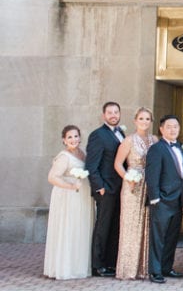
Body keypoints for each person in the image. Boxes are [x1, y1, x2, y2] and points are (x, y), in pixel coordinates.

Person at [44, 125, 94, 280]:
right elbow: (52, 177)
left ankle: (78, 267)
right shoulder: (64, 157)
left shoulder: (82, 153)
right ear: (64, 140)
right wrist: (71, 186)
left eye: (76, 136)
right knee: (68, 228)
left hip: (82, 196)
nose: (74, 140)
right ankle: (64, 268)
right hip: (68, 196)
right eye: (70, 137)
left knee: (81, 229)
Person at [145, 115, 183, 284]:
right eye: (169, 127)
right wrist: (155, 198)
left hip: (178, 200)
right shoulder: (156, 149)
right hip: (162, 200)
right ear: (161, 129)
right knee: (158, 237)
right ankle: (155, 271)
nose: (173, 130)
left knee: (172, 236)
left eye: (176, 127)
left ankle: (166, 267)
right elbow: (152, 175)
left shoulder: (180, 147)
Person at [114, 107, 157, 280]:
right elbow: (118, 164)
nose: (144, 122)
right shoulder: (129, 140)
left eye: (147, 119)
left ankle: (144, 268)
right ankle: (128, 269)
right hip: (133, 185)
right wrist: (128, 178)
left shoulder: (154, 139)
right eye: (141, 118)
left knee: (147, 225)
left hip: (150, 184)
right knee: (131, 225)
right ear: (135, 120)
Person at [85, 101, 124, 278]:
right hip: (106, 189)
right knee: (102, 227)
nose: (113, 115)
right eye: (110, 112)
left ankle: (110, 263)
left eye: (116, 112)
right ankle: (97, 264)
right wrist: (99, 187)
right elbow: (91, 166)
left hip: (120, 189)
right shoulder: (97, 135)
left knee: (114, 226)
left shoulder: (121, 133)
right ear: (104, 115)